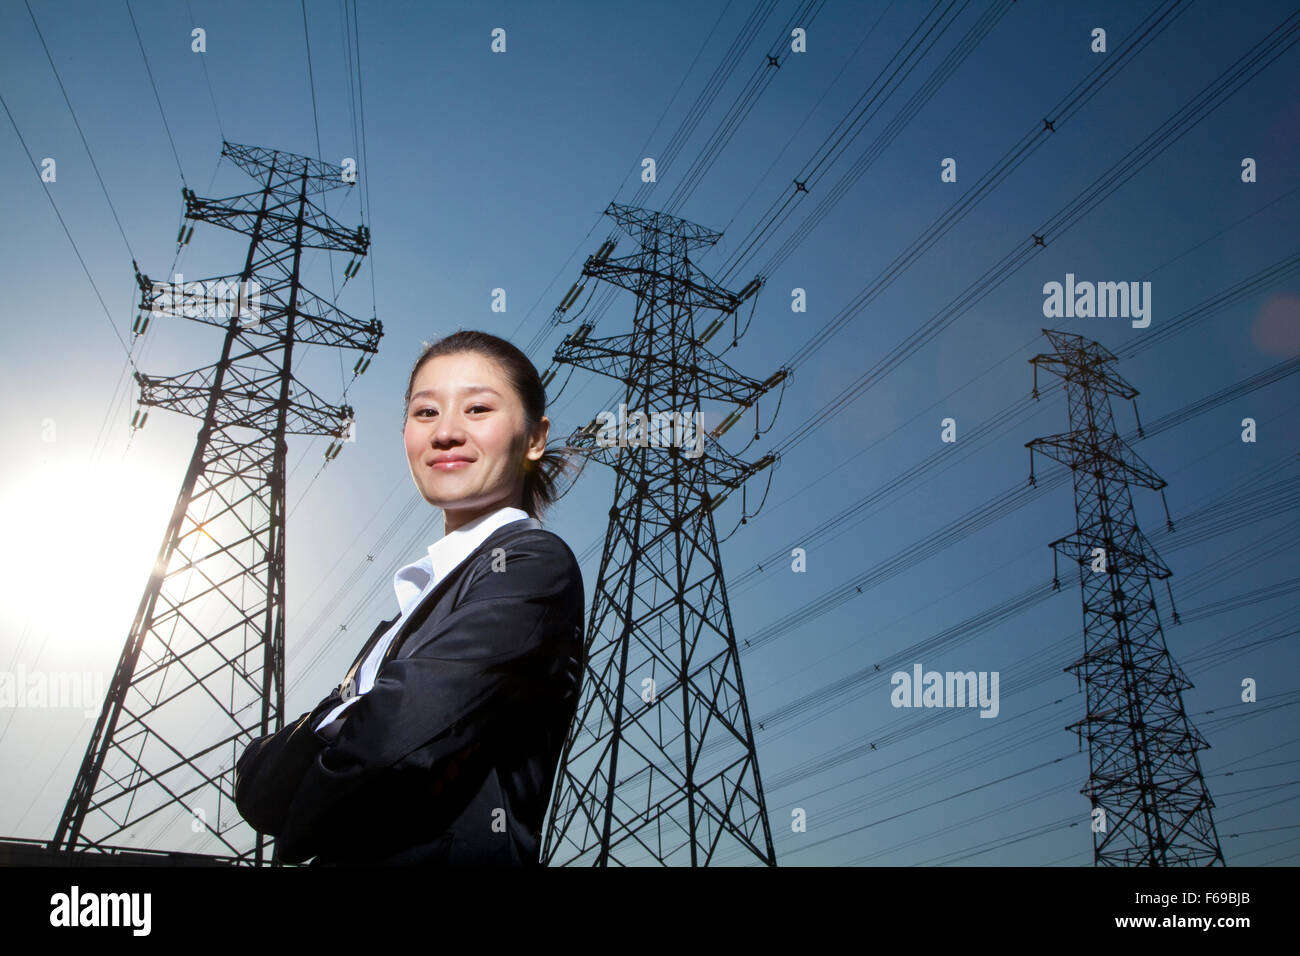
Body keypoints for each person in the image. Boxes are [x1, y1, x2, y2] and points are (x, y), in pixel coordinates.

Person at [233, 329, 585, 866]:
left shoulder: (533, 565)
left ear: (535, 438)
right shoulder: (408, 610)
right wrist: (346, 727)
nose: (446, 433)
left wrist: (324, 746)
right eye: (425, 413)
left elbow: (396, 740)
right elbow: (260, 793)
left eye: (478, 409)